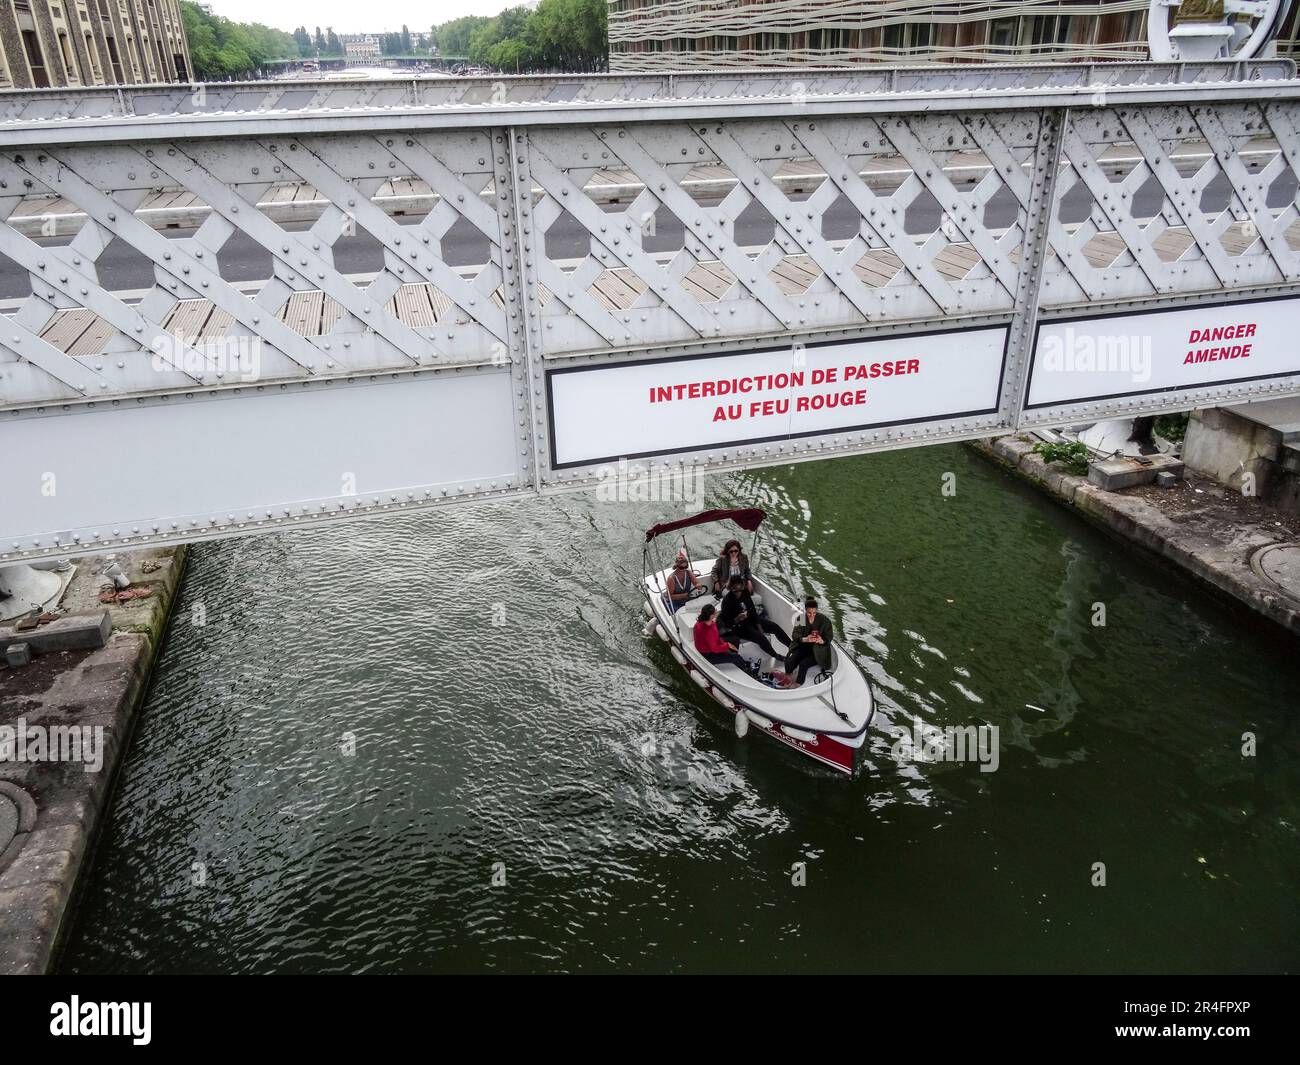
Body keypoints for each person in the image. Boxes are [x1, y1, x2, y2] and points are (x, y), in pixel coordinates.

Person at [719, 576, 789, 659]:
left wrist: (759, 626)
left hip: (750, 619)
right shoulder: (727, 601)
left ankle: (793, 647)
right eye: (735, 591)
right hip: (739, 627)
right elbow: (727, 624)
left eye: (740, 590)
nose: (738, 593)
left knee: (774, 626)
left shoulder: (745, 593)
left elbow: (752, 611)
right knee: (761, 638)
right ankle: (776, 656)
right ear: (730, 589)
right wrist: (737, 619)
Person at [693, 604, 760, 677]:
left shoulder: (703, 622)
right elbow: (714, 648)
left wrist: (725, 645)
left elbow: (716, 638)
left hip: (709, 646)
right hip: (708, 654)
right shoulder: (707, 630)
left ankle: (739, 661)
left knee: (735, 639)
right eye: (715, 612)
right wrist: (727, 645)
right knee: (735, 657)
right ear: (711, 615)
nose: (716, 612)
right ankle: (749, 673)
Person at [784, 597, 833, 685]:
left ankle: (798, 684)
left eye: (814, 613)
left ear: (816, 610)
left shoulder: (824, 620)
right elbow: (795, 634)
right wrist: (805, 639)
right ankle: (788, 675)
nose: (811, 615)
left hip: (818, 649)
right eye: (809, 613)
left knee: (803, 664)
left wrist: (822, 640)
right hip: (804, 645)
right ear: (806, 610)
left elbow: (829, 636)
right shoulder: (801, 618)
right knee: (790, 661)